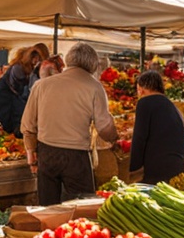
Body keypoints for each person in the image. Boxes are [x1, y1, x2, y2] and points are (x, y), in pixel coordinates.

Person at [21, 43, 119, 204]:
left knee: (48, 208)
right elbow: (104, 126)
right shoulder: (94, 87)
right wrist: (114, 139)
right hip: (77, 156)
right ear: (93, 64)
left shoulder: (41, 85)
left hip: (47, 153)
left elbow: (28, 125)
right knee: (81, 208)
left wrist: (31, 154)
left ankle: (49, 228)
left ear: (69, 60)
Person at [128, 70, 184, 186]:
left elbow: (140, 137)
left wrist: (133, 165)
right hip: (178, 166)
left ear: (141, 89)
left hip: (158, 168)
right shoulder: (171, 105)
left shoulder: (144, 103)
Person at [0, 46, 36, 135]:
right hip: (14, 122)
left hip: (14, 121)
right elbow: (9, 104)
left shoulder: (14, 73)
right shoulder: (19, 72)